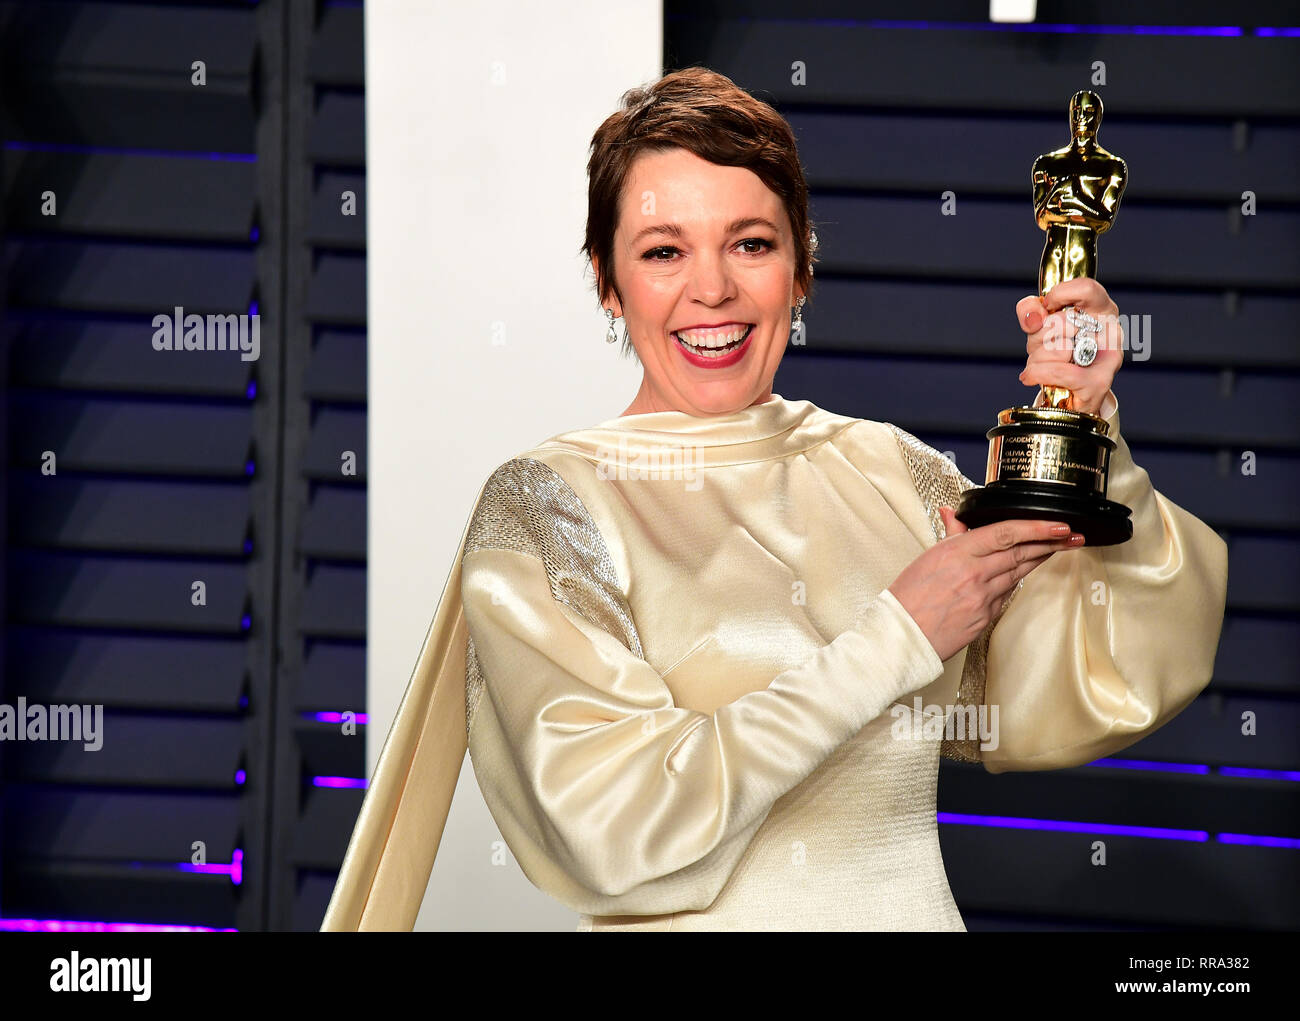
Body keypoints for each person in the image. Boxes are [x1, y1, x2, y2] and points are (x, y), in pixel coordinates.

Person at [321, 67, 1228, 932]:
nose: (711, 288)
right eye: (663, 250)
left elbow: (1072, 688)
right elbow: (608, 833)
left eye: (751, 244)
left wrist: (1081, 417)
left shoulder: (890, 469)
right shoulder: (548, 506)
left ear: (800, 269)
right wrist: (895, 638)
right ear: (606, 280)